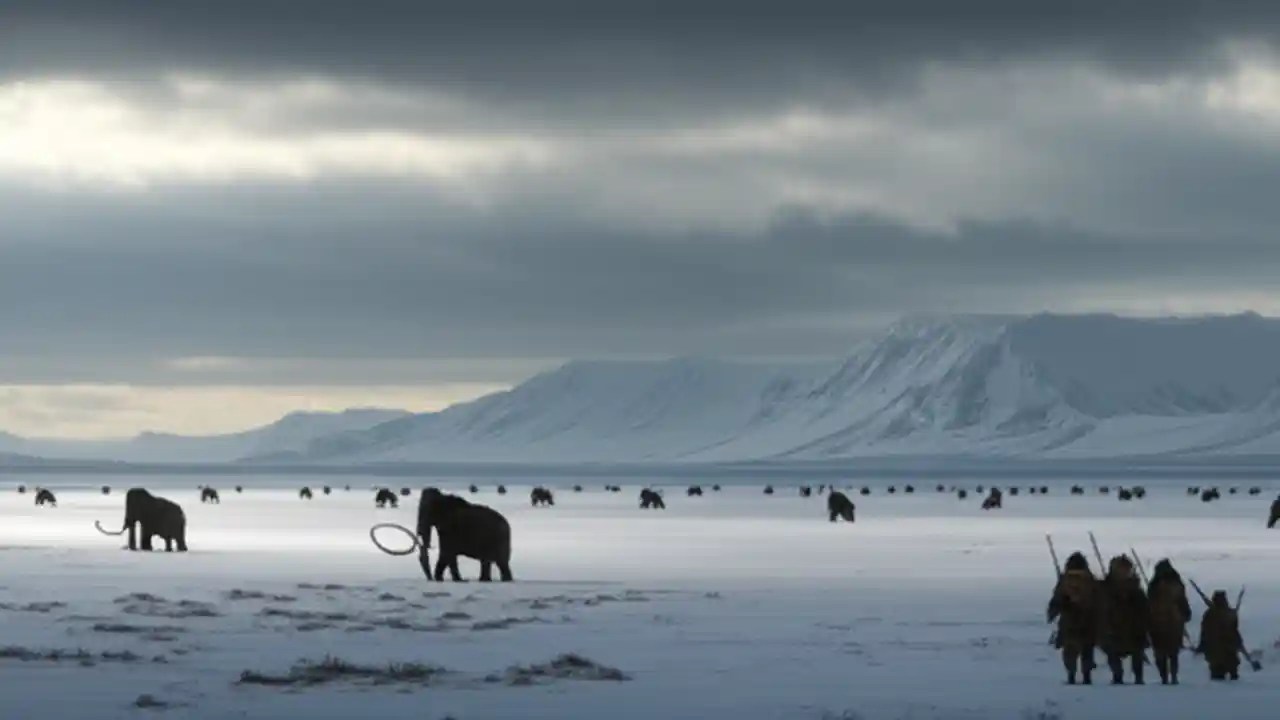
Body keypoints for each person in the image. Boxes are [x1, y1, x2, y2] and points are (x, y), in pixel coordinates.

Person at [1047, 552, 1098, 685]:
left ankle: (1071, 675)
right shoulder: (1090, 580)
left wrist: (1053, 612)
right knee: (1087, 650)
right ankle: (1086, 676)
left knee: (1070, 652)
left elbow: (1056, 598)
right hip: (1088, 621)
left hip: (1069, 621)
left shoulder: (1065, 581)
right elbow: (1099, 600)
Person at [1098, 555, 1150, 684]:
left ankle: (1138, 677)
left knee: (1137, 649)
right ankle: (1118, 675)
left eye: (1125, 569)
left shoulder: (1135, 589)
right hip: (1112, 627)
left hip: (1133, 627)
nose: (1123, 572)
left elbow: (1144, 608)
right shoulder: (1105, 588)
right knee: (1112, 650)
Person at [1146, 559, 1192, 684]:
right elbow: (1182, 601)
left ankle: (1165, 677)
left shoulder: (1155, 584)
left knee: (1161, 652)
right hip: (1173, 622)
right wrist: (1186, 613)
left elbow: (1149, 603)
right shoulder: (1176, 584)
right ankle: (1172, 677)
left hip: (1159, 622)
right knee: (1172, 652)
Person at [1196, 591, 1245, 681]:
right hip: (1229, 652)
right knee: (1233, 679)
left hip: (1216, 655)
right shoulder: (1229, 613)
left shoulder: (1209, 614)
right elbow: (1235, 631)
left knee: (1218, 681)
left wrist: (1202, 646)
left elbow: (1204, 632)